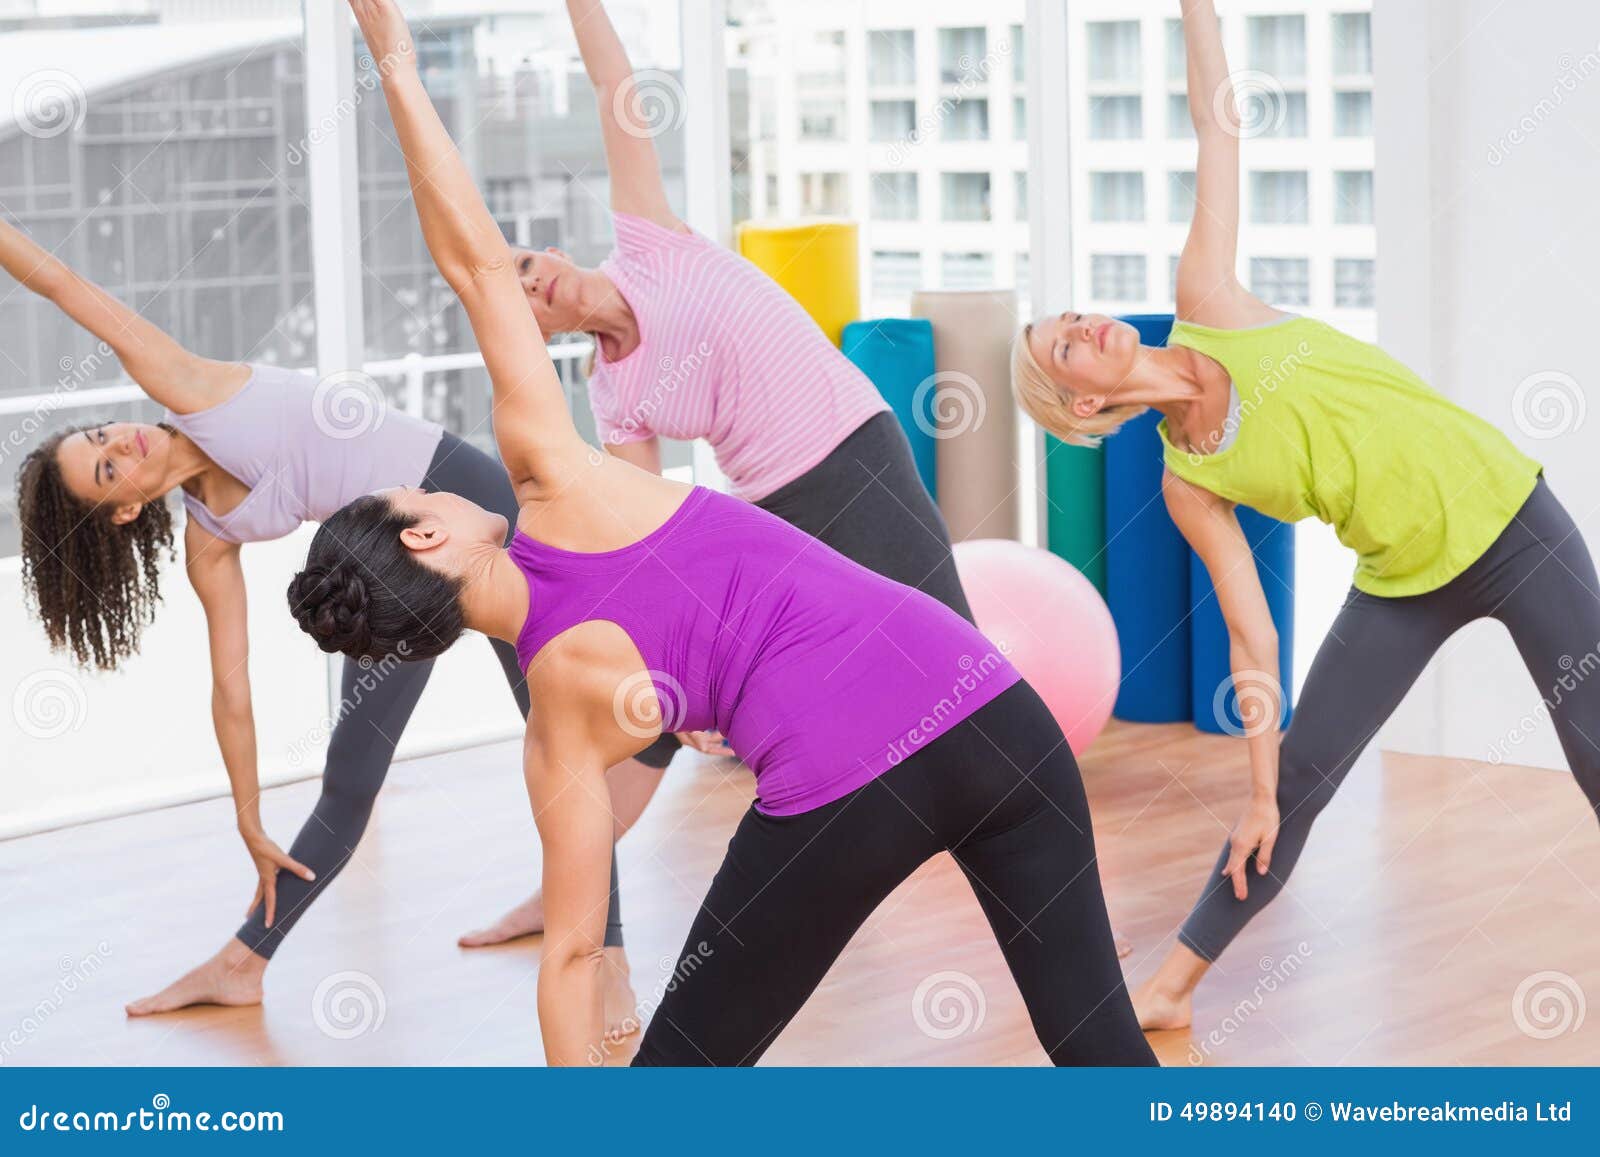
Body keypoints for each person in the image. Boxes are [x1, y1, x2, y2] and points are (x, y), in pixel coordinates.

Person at [309, 0, 1157, 1067]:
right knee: (1103, 1057)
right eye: (412, 497)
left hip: (855, 771)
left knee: (683, 1077)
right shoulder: (568, 470)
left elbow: (575, 956)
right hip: (999, 716)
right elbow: (470, 262)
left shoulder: (556, 730)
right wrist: (391, 53)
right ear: (426, 540)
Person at [1011, 0, 1598, 1031]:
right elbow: (1252, 632)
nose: (1082, 324)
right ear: (1085, 404)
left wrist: (1197, 12)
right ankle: (1170, 990)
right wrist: (1257, 782)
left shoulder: (1211, 301)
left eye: (1068, 315)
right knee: (1299, 784)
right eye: (1066, 348)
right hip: (1401, 577)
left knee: (1592, 740)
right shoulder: (1185, 482)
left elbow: (1216, 128)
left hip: (1506, 513)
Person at [1, 227, 658, 1036]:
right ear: (126, 507)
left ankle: (613, 955)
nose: (118, 443)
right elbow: (231, 688)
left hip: (459, 497)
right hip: (394, 565)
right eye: (105, 469)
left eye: (99, 436)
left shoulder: (188, 387)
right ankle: (245, 962)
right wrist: (247, 814)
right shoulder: (209, 538)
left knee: (559, 735)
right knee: (350, 777)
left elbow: (65, 287)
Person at [458, 0, 976, 954]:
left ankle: (1039, 881)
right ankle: (569, 891)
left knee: (959, 663)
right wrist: (665, 668)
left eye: (530, 265)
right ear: (534, 334)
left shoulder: (651, 242)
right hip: (773, 509)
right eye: (524, 299)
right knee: (648, 715)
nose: (538, 285)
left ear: (557, 254)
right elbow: (639, 533)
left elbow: (622, 99)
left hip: (853, 452)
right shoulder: (614, 398)